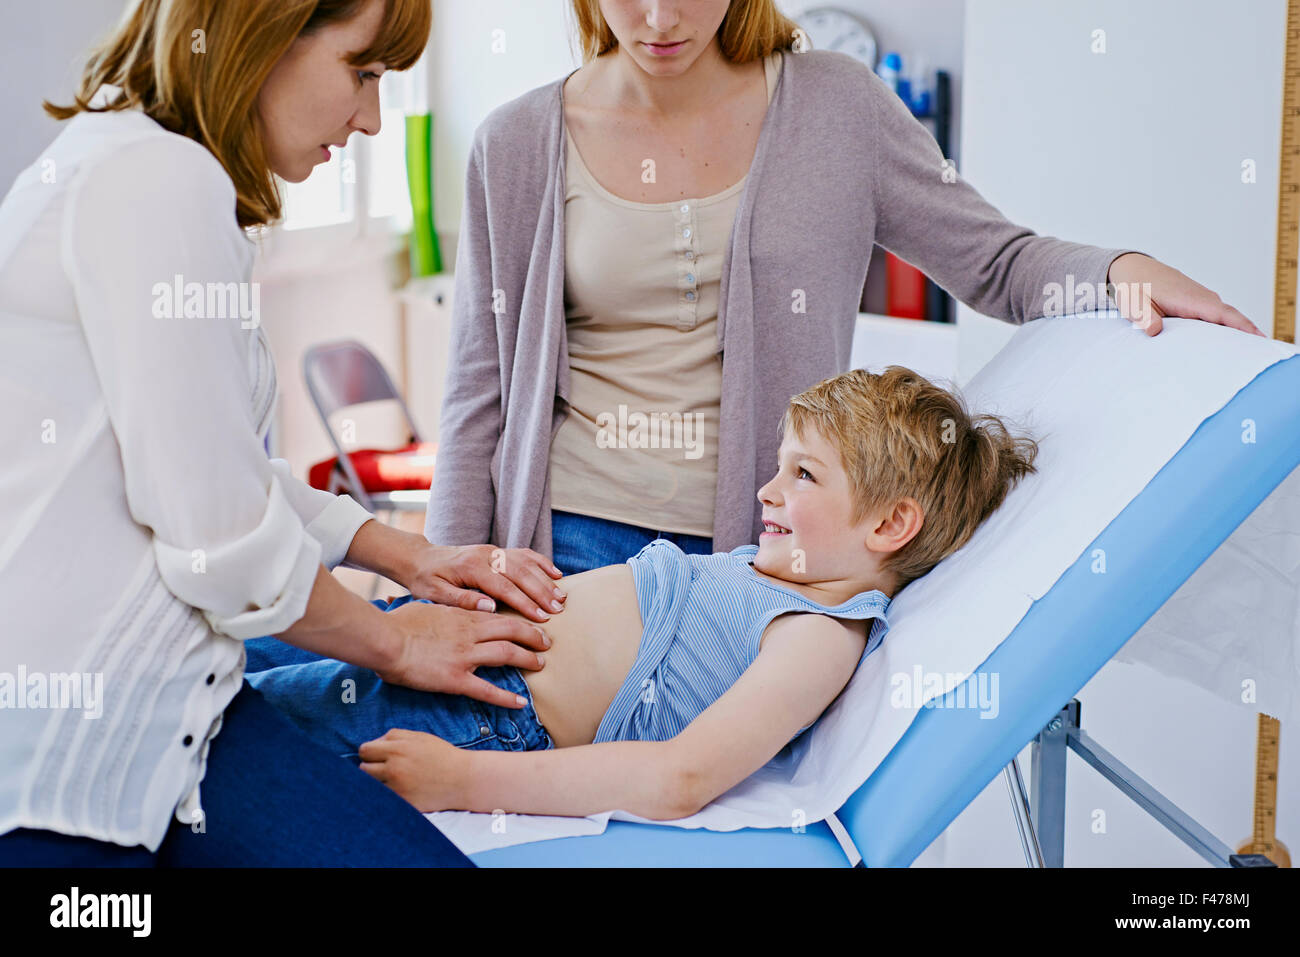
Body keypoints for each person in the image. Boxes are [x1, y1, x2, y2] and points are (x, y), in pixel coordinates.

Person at [0, 0, 565, 868]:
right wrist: (399, 639)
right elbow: (221, 538)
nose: (373, 118)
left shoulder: (135, 163)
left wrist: (405, 557)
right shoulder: (158, 182)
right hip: (86, 748)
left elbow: (223, 472)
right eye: (363, 71)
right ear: (260, 29)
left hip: (185, 708)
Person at [422, 0, 1266, 581]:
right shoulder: (516, 144)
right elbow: (476, 392)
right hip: (561, 544)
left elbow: (999, 263)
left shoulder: (838, 110)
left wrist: (1121, 270)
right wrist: (446, 582)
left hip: (765, 555)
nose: (659, 18)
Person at [247, 366, 1031, 820]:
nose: (767, 488)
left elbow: (680, 776)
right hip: (436, 639)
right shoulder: (777, 571)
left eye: (803, 475)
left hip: (477, 714)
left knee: (226, 733)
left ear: (893, 523)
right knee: (209, 662)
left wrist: (465, 779)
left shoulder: (821, 630)